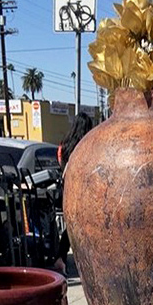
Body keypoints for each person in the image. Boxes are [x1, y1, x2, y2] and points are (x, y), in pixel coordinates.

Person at [56, 113, 94, 272]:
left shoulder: (63, 146)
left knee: (71, 226)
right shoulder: (89, 145)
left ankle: (60, 257)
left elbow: (60, 165)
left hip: (68, 189)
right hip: (85, 189)